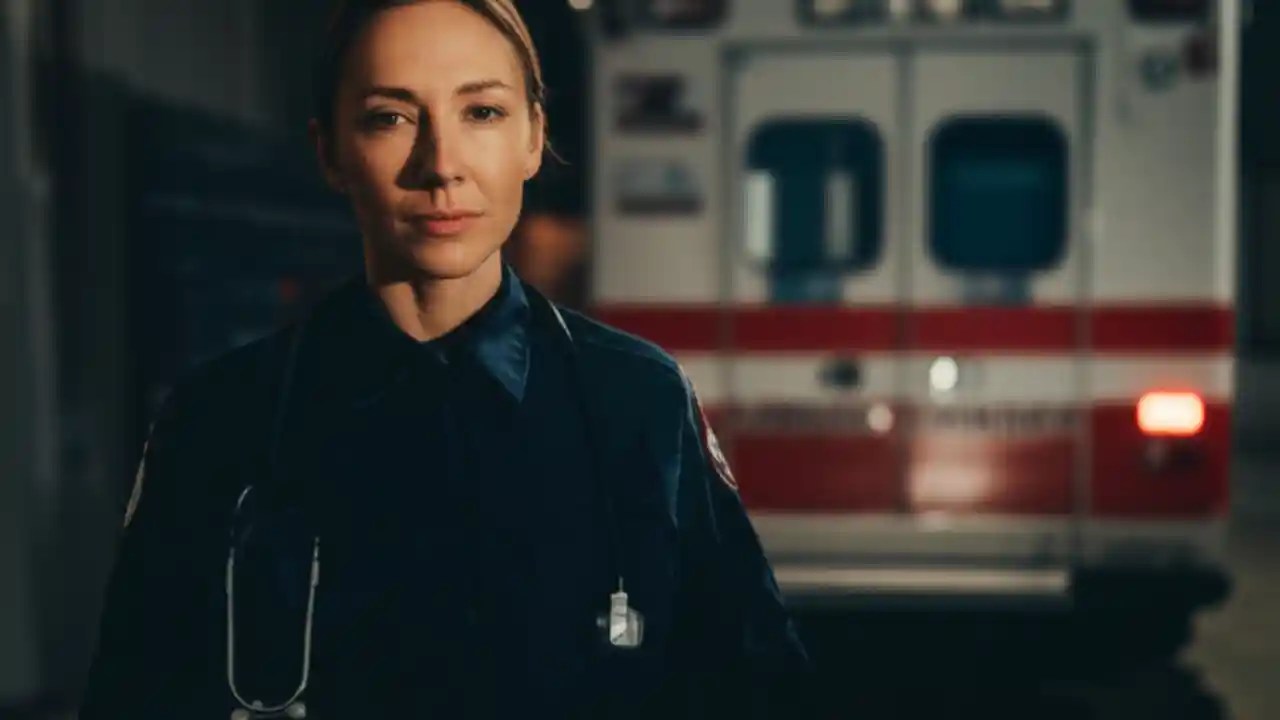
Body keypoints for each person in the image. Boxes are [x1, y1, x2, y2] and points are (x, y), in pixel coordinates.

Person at [78, 1, 812, 717]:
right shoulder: (224, 418)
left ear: (534, 137)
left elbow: (755, 686)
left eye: (482, 112)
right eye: (390, 117)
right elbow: (138, 689)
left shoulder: (637, 402)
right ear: (330, 152)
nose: (441, 165)